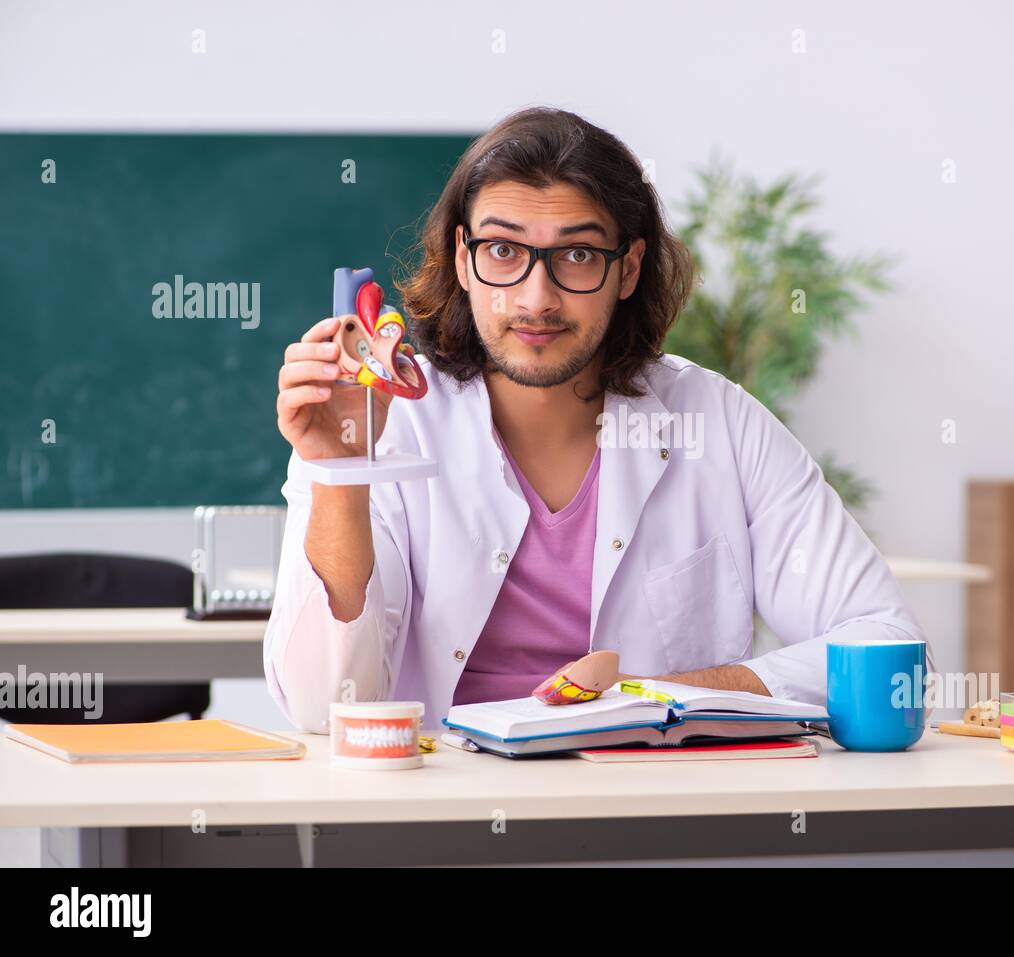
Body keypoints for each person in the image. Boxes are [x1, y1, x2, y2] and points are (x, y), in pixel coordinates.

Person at [266, 106, 934, 732]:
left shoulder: (719, 423)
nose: (537, 297)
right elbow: (322, 707)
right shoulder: (384, 423)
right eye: (503, 251)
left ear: (628, 268)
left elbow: (888, 649)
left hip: (652, 812)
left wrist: (648, 697)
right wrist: (341, 466)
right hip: (444, 816)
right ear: (463, 260)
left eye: (578, 255)